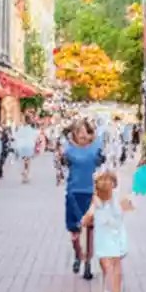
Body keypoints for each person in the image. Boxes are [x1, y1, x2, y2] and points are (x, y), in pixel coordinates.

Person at [82, 171, 132, 292]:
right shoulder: (105, 200)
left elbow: (87, 218)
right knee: (113, 268)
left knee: (109, 268)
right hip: (112, 237)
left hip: (108, 238)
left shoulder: (104, 200)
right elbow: (128, 208)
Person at [63, 118, 102, 281]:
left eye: (85, 132)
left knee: (90, 231)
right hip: (73, 193)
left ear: (90, 134)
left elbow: (102, 163)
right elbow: (61, 165)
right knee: (75, 232)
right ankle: (78, 255)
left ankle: (87, 265)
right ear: (74, 135)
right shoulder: (68, 150)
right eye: (79, 132)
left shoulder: (96, 149)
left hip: (91, 193)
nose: (82, 135)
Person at [12, 117, 39, 184]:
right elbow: (36, 135)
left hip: (21, 147)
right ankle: (26, 175)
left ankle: (24, 174)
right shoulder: (32, 129)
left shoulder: (21, 129)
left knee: (23, 160)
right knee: (28, 160)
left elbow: (15, 136)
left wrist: (13, 128)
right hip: (29, 146)